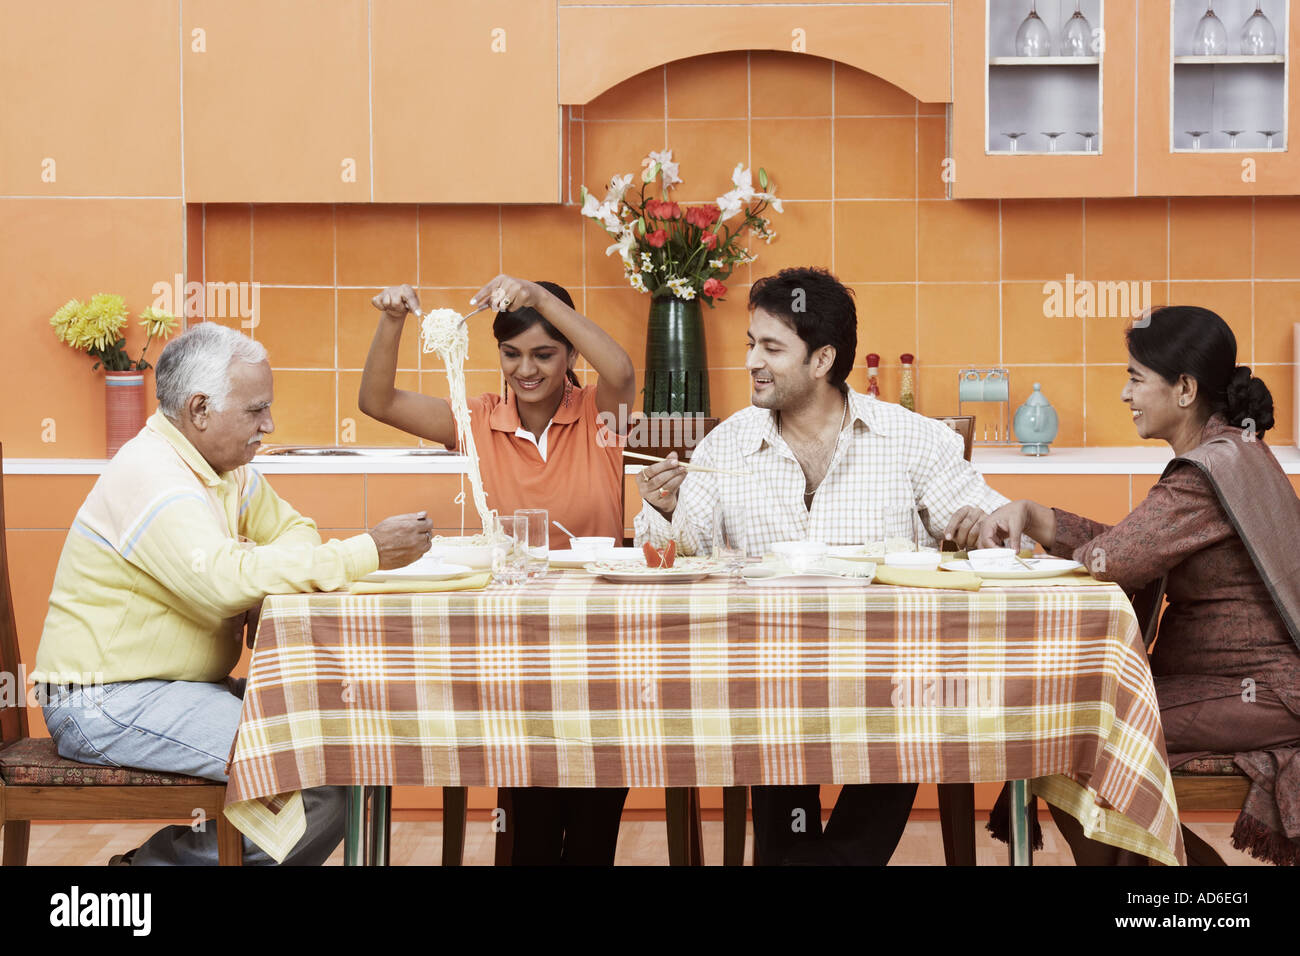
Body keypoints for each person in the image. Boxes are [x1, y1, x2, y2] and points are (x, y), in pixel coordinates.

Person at [634, 266, 1016, 865]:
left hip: (886, 676)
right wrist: (662, 507)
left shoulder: (913, 440)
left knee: (915, 704)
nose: (753, 362)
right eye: (751, 344)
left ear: (822, 360)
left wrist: (979, 531)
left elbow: (992, 524)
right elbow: (683, 554)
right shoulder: (726, 446)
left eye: (771, 347)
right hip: (767, 674)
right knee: (772, 708)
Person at [32, 322, 432, 865]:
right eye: (255, 410)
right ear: (199, 409)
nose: (269, 425)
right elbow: (222, 583)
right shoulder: (155, 476)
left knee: (346, 740)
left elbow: (296, 532)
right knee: (313, 774)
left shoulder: (226, 470)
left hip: (178, 688)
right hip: (105, 699)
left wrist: (249, 583)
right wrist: (365, 550)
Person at [977, 305, 1300, 866]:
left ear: (1184, 389)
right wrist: (1034, 515)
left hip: (1265, 691)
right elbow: (1133, 546)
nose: (1125, 395)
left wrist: (1030, 550)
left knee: (1070, 735)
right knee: (1069, 732)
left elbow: (1117, 561)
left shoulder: (1206, 473)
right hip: (1256, 685)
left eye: (1134, 378)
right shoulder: (1230, 454)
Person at [361, 275, 637, 865]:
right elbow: (377, 402)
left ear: (568, 355)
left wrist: (541, 300)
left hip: (598, 633)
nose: (526, 369)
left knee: (596, 803)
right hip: (516, 638)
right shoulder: (476, 418)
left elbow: (620, 369)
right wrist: (391, 320)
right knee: (529, 802)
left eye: (544, 354)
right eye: (511, 355)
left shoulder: (599, 415)